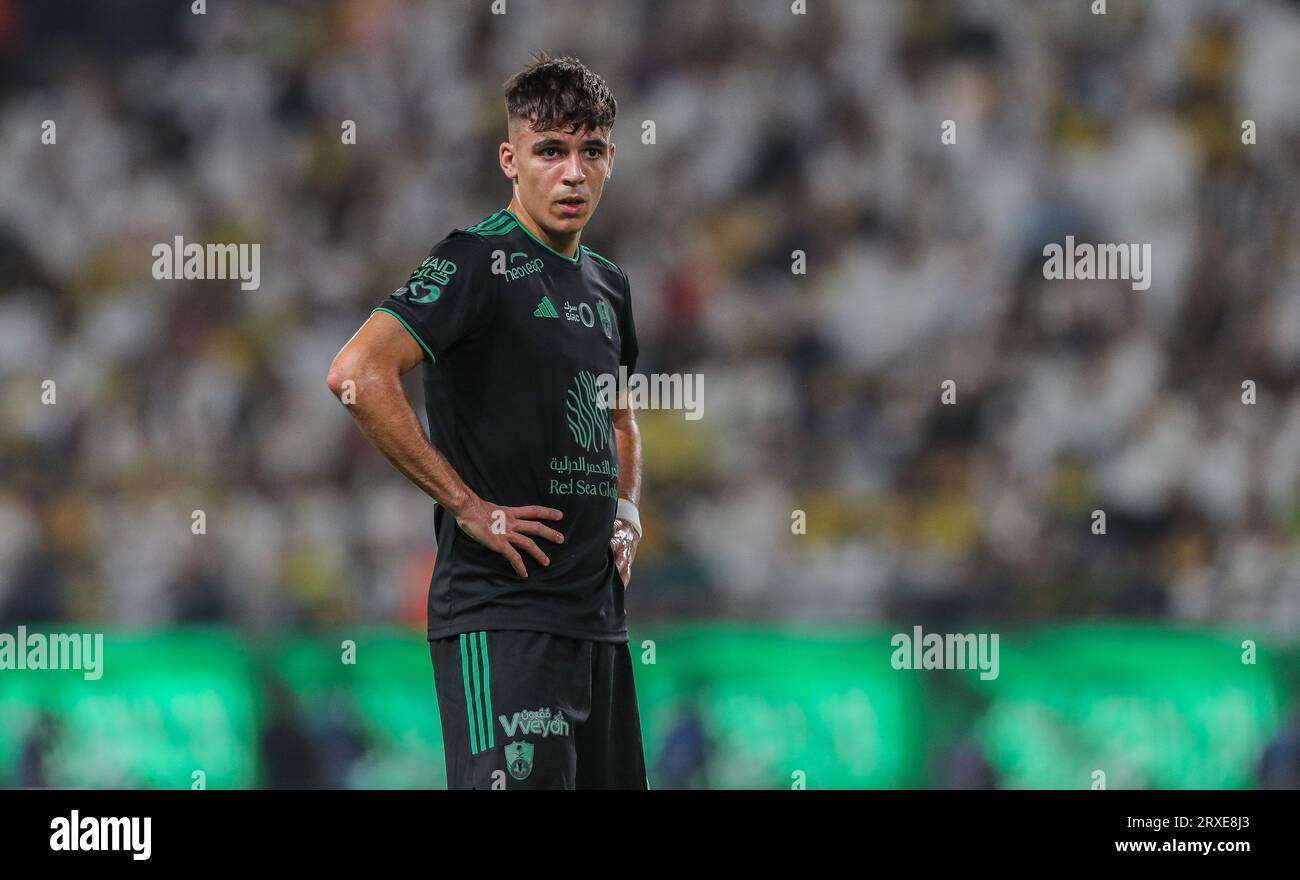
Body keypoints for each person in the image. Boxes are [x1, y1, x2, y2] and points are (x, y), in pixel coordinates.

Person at [328, 53, 647, 789]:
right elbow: (357, 372)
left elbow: (622, 420)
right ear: (511, 159)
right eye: (550, 151)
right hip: (500, 616)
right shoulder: (475, 261)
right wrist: (468, 507)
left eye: (590, 151)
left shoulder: (610, 285)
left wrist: (626, 510)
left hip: (596, 624)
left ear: (609, 160)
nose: (573, 173)